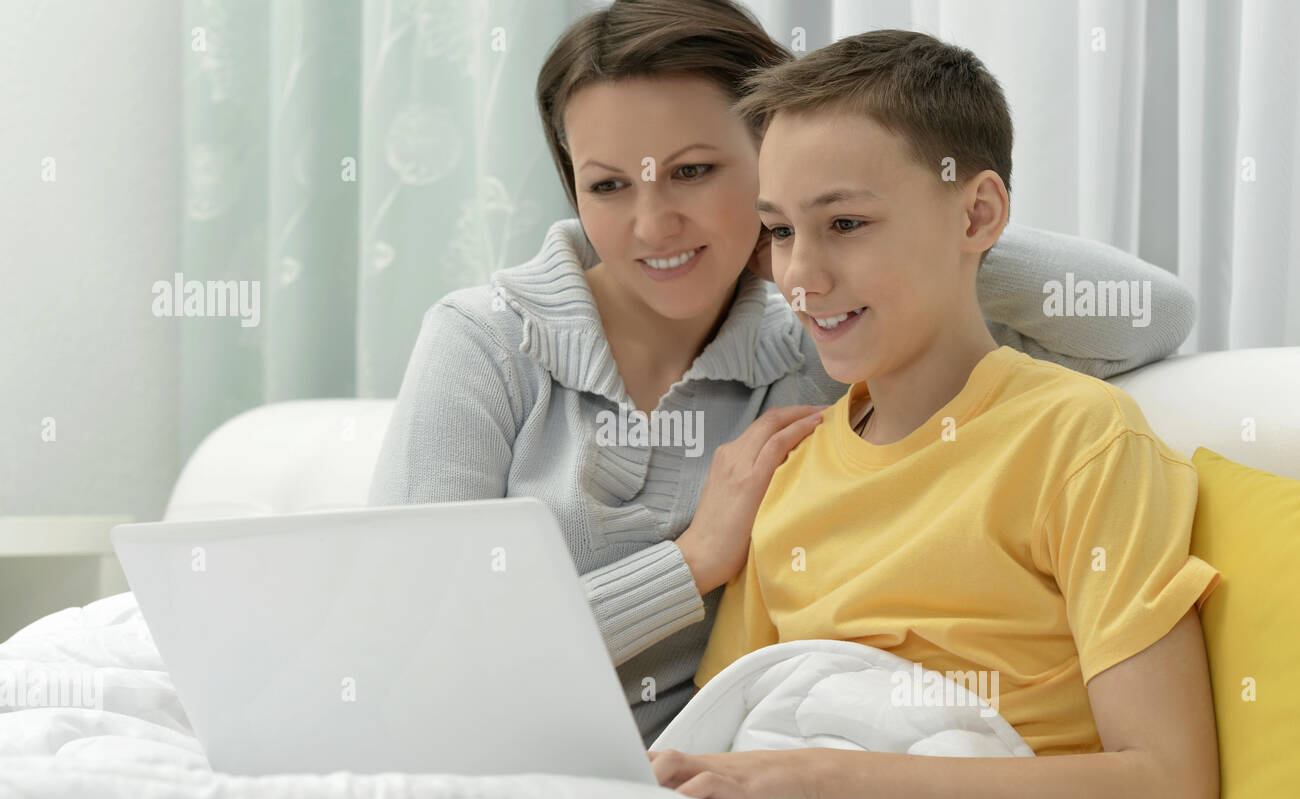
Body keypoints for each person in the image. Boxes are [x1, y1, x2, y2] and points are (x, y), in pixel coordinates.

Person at [368, 0, 1198, 746]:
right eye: (609, 185)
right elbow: (407, 658)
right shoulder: (484, 343)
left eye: (694, 171)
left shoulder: (819, 344)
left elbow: (1146, 314)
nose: (653, 223)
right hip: (473, 767)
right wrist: (690, 562)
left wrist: (870, 218)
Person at [651, 29, 1222, 799]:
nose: (801, 276)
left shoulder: (1077, 440)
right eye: (778, 231)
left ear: (978, 212)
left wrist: (821, 777)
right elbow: (728, 749)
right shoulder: (789, 472)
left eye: (845, 222)